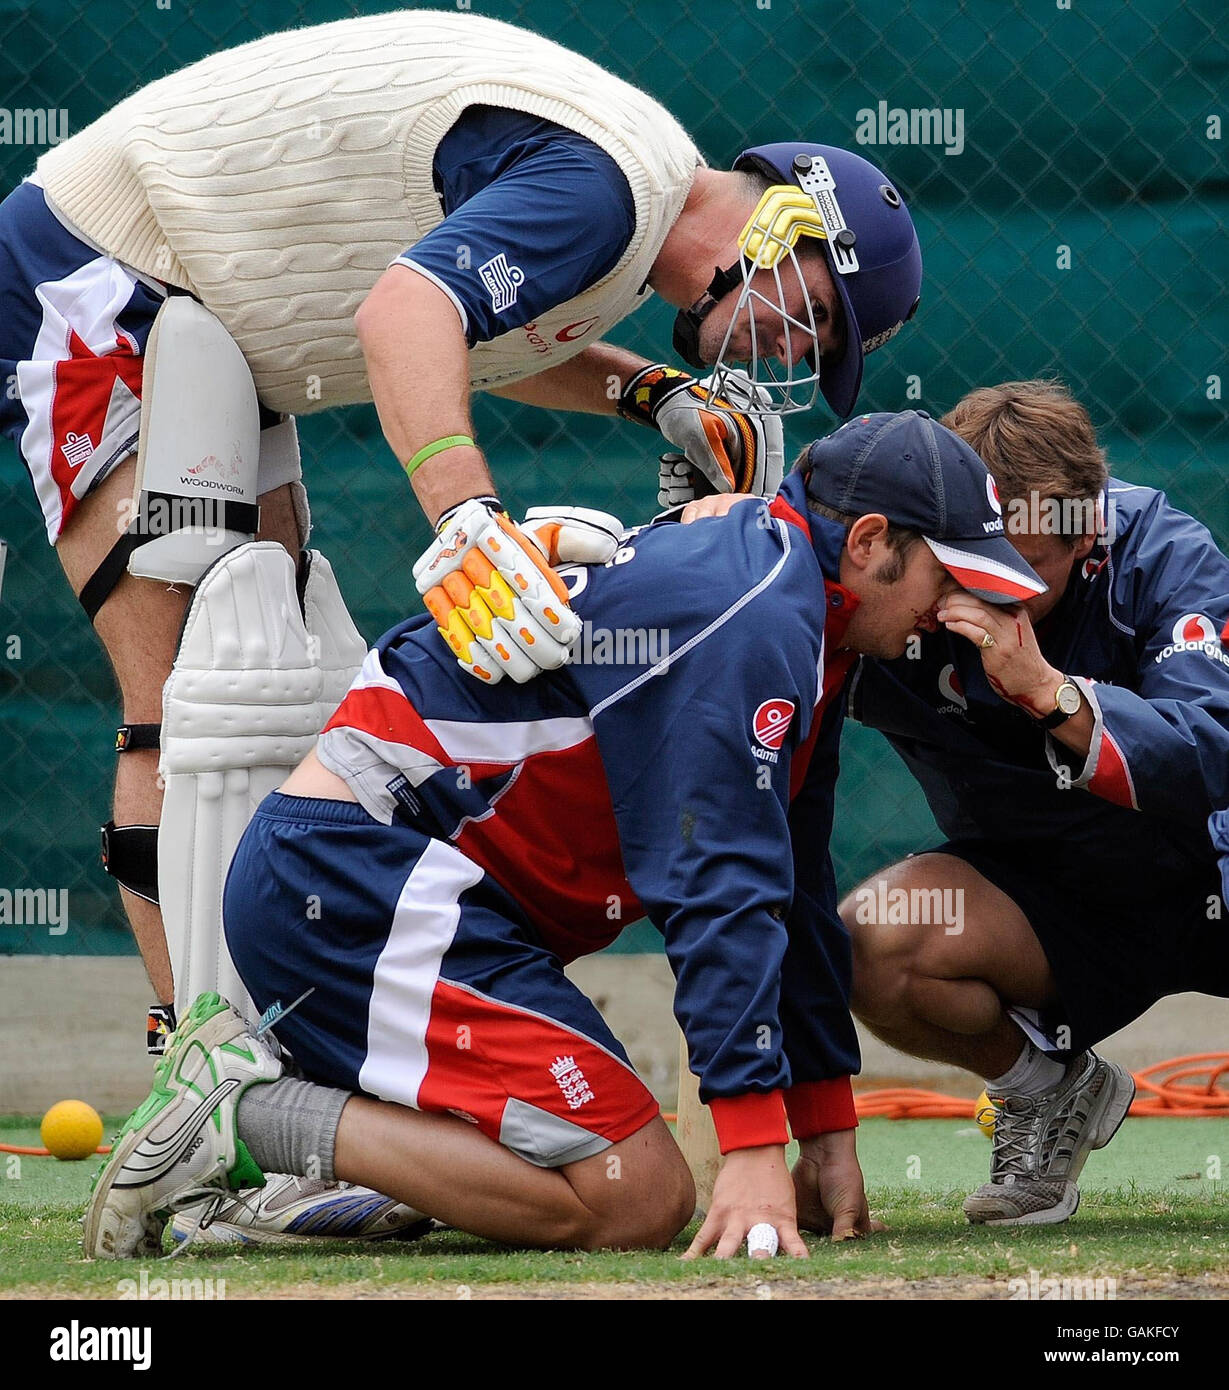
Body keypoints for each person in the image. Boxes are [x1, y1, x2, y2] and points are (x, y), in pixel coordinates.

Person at [0, 10, 922, 1089]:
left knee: (277, 682)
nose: (796, 350)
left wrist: (644, 391)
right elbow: (407, 312)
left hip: (202, 313)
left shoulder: (620, 213)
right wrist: (464, 516)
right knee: (190, 703)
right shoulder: (611, 192)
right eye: (815, 313)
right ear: (781, 229)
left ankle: (271, 1070)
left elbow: (467, 322)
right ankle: (199, 1081)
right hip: (105, 265)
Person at [81, 410, 1043, 1260]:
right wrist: (752, 1147)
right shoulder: (753, 612)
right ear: (870, 540)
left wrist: (823, 1118)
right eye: (945, 574)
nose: (951, 612)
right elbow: (720, 883)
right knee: (637, 1197)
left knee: (609, 1175)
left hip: (398, 891)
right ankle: (240, 1116)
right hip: (353, 882)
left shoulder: (794, 604)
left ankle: (319, 1145)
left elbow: (789, 872)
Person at [839, 381, 1229, 1225]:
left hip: (1206, 868)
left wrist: (1056, 697)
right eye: (969, 561)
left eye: (1020, 571)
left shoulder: (1159, 553)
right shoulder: (900, 578)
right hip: (1046, 902)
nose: (987, 592)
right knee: (873, 942)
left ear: (1086, 532)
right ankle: (1049, 1089)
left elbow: (1217, 746)